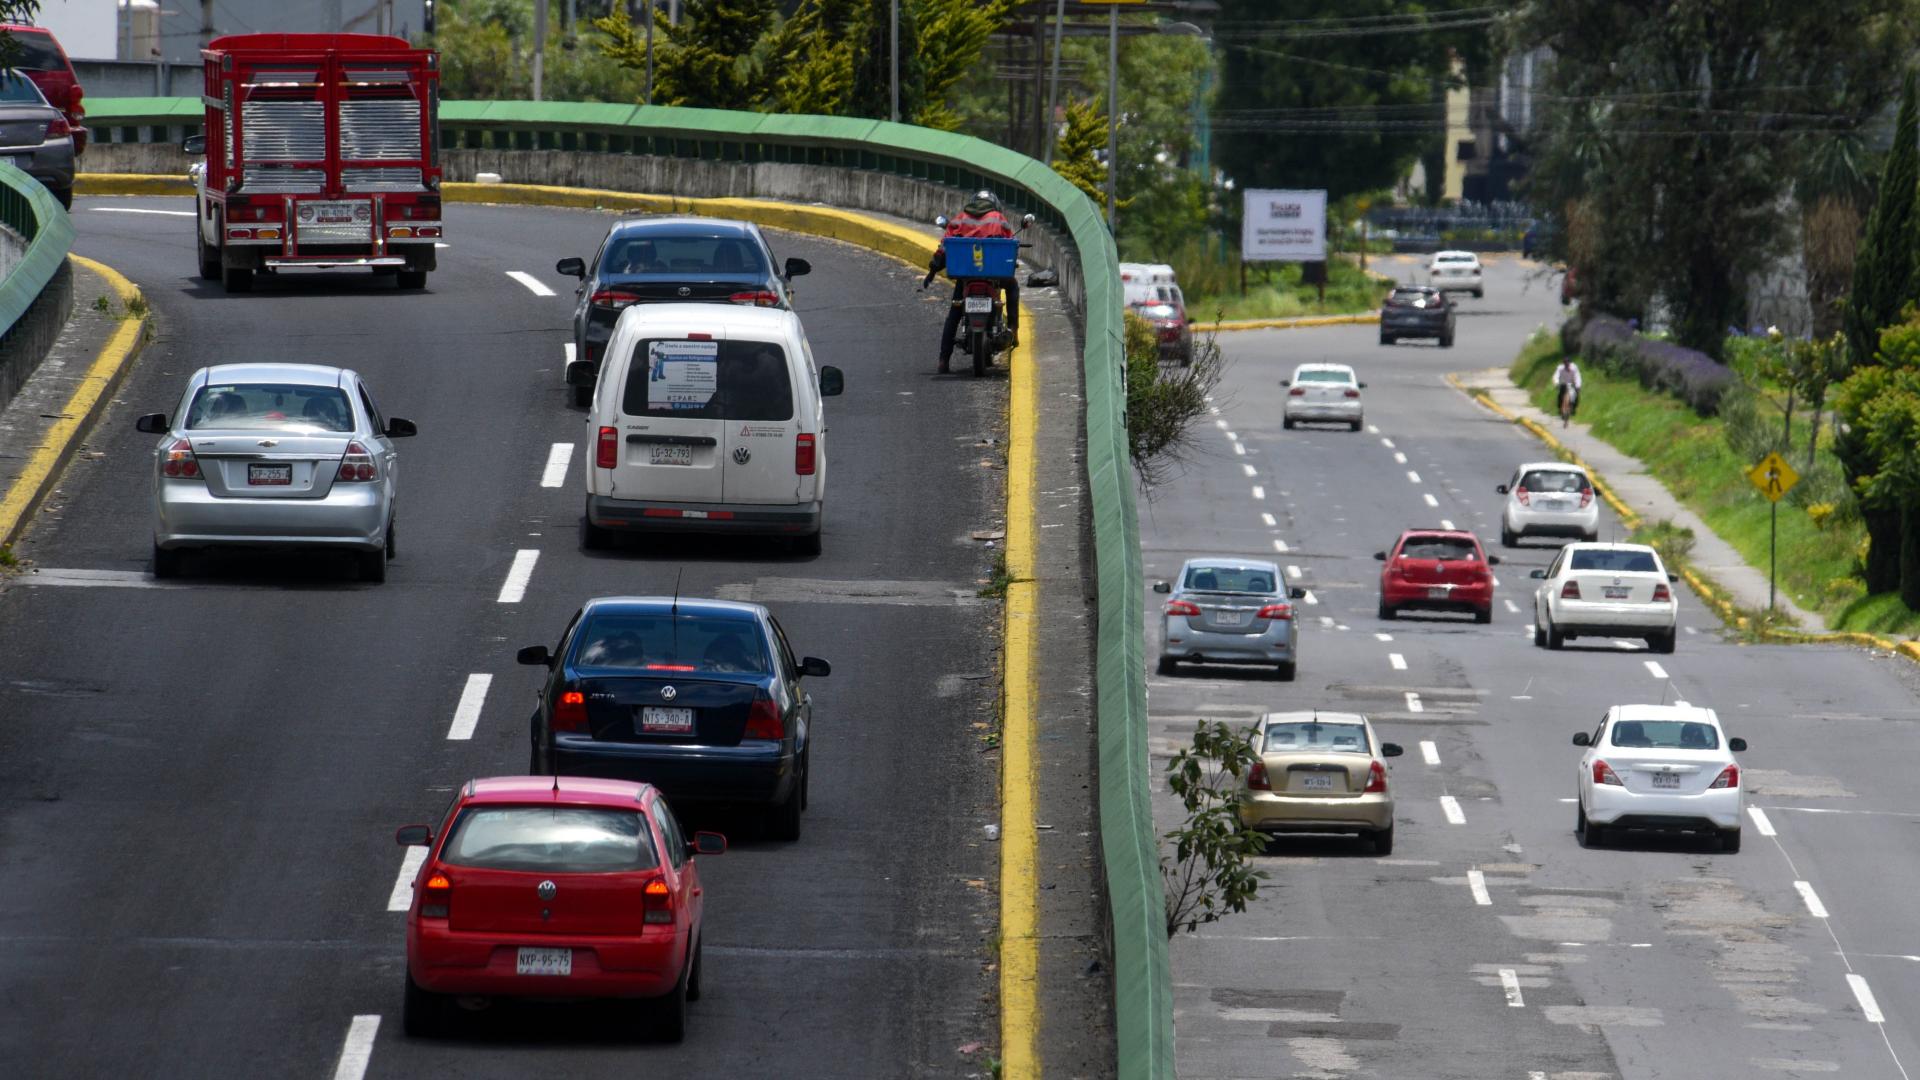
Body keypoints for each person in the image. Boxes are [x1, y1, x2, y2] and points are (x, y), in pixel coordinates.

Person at [921, 190, 1020, 373]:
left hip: (967, 276)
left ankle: (943, 360)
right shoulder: (998, 218)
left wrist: (934, 268)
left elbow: (945, 246)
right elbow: (1010, 243)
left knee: (954, 313)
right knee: (1012, 286)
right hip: (992, 274)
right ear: (994, 204)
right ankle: (1014, 330)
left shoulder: (960, 218)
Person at [1554, 356, 1583, 427]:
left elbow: (1577, 376)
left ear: (1570, 363)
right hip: (1563, 383)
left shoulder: (1574, 368)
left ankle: (1574, 407)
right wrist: (1556, 383)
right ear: (1563, 363)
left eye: (1568, 363)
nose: (1566, 365)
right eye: (1565, 363)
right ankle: (1560, 407)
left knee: (1575, 395)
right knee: (1560, 395)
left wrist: (1578, 385)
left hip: (1571, 384)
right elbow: (1556, 376)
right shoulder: (1560, 368)